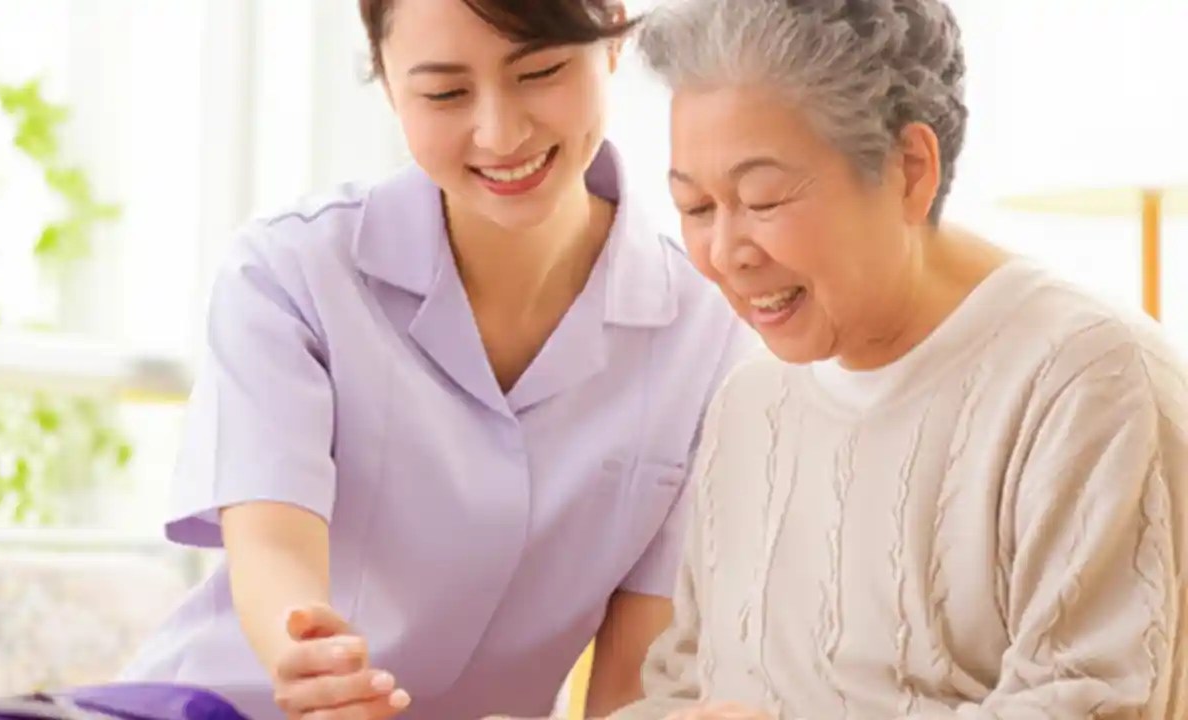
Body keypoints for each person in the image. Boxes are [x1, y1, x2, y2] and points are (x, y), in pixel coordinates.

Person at [119, 1, 755, 719]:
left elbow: (633, 680)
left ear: (610, 38)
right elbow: (273, 546)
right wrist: (312, 657)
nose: (500, 132)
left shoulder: (708, 335)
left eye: (540, 71)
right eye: (445, 93)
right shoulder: (291, 271)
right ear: (389, 86)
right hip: (212, 704)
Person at [598, 0, 1187, 718]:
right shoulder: (750, 401)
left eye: (763, 199)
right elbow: (683, 686)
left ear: (910, 169)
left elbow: (1090, 702)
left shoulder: (1086, 379)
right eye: (694, 208)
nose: (724, 254)